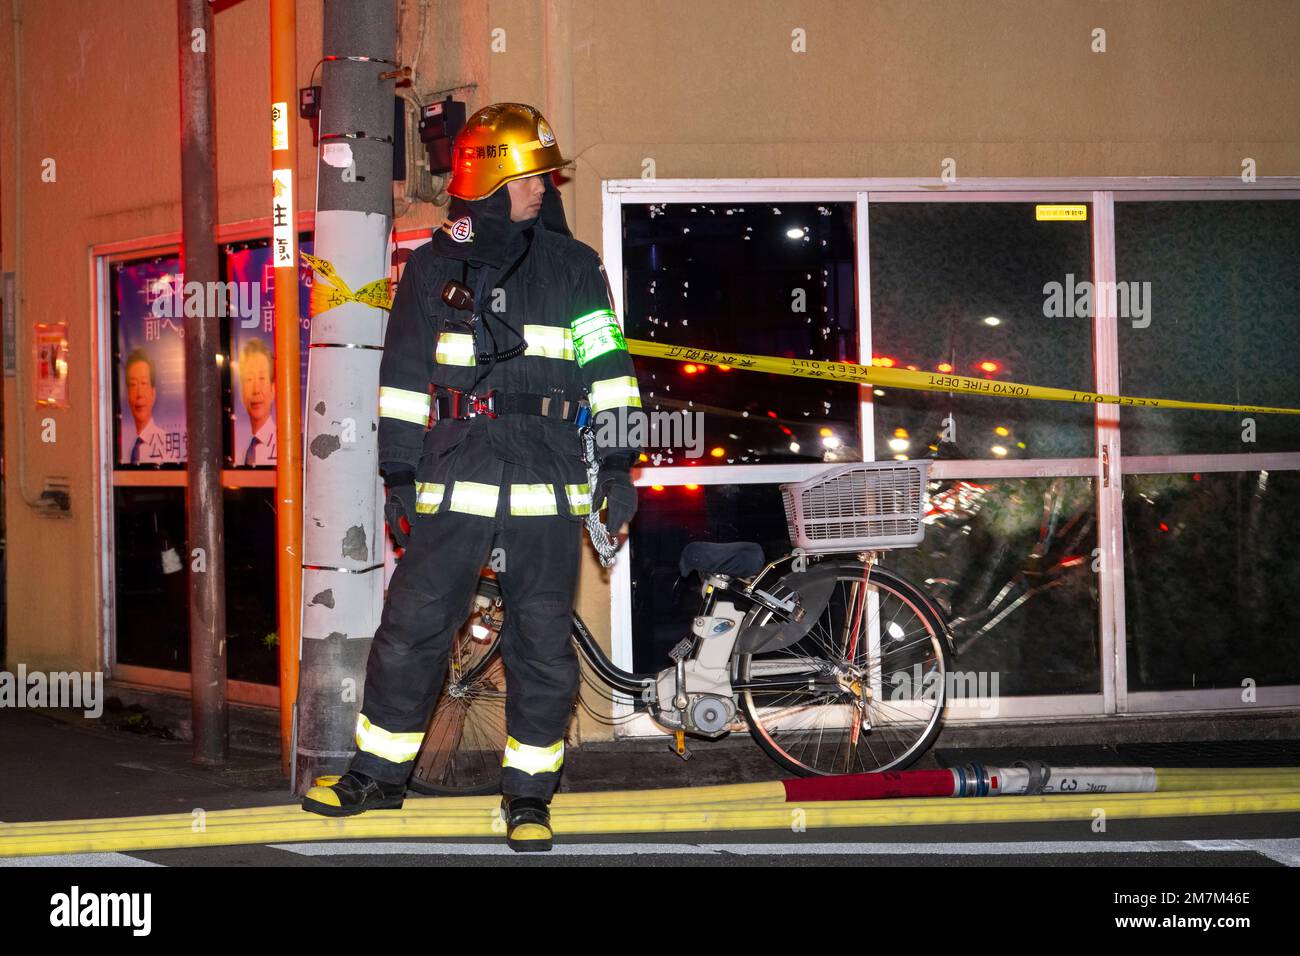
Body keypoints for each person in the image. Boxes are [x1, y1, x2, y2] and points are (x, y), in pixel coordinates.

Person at [302, 103, 642, 852]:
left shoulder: (576, 267)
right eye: (529, 176)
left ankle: (529, 795)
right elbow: (400, 385)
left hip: (549, 483)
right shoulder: (431, 267)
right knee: (412, 631)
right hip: (454, 479)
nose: (542, 188)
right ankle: (378, 776)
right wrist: (397, 476)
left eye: (544, 178)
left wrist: (618, 465)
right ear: (488, 175)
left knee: (542, 644)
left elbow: (610, 375)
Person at [124, 347, 179, 464]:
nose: (139, 394)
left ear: (153, 394)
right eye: (133, 384)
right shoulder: (121, 447)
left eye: (144, 383)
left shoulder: (167, 447)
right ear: (127, 393)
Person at [238, 338, 277, 465]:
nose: (256, 390)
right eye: (249, 379)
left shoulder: (284, 448)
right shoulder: (240, 452)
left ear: (273, 389)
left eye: (261, 378)